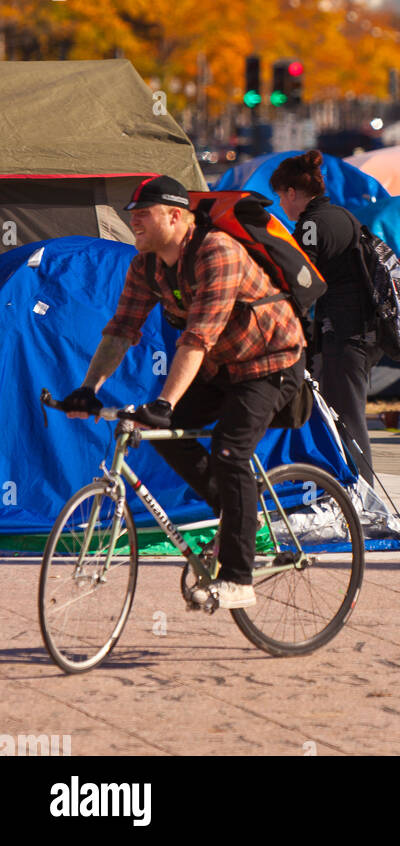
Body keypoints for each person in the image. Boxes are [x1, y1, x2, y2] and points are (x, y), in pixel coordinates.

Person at [58, 175, 306, 609]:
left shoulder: (218, 252)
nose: (132, 222)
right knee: (161, 432)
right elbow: (121, 330)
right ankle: (235, 514)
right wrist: (87, 388)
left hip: (271, 361)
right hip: (222, 365)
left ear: (175, 216)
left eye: (142, 216)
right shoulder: (146, 265)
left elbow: (197, 338)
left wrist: (164, 402)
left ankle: (238, 578)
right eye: (130, 215)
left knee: (231, 452)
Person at [270, 151, 381, 485]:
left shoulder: (311, 225)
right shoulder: (344, 216)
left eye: (280, 196)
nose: (281, 204)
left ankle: (363, 496)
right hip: (361, 332)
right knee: (345, 414)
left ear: (291, 192)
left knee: (346, 418)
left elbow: (303, 280)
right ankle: (346, 489)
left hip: (344, 334)